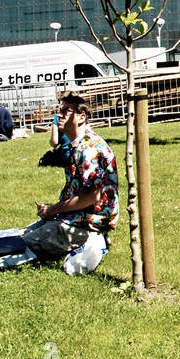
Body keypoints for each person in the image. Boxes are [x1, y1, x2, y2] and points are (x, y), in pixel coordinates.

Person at [13, 93, 119, 266]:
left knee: (24, 244)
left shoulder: (88, 149)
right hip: (75, 215)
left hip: (88, 221)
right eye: (59, 111)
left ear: (81, 117)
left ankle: (91, 240)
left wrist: (53, 209)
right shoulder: (78, 144)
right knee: (22, 235)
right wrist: (53, 210)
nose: (59, 116)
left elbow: (92, 196)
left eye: (65, 112)